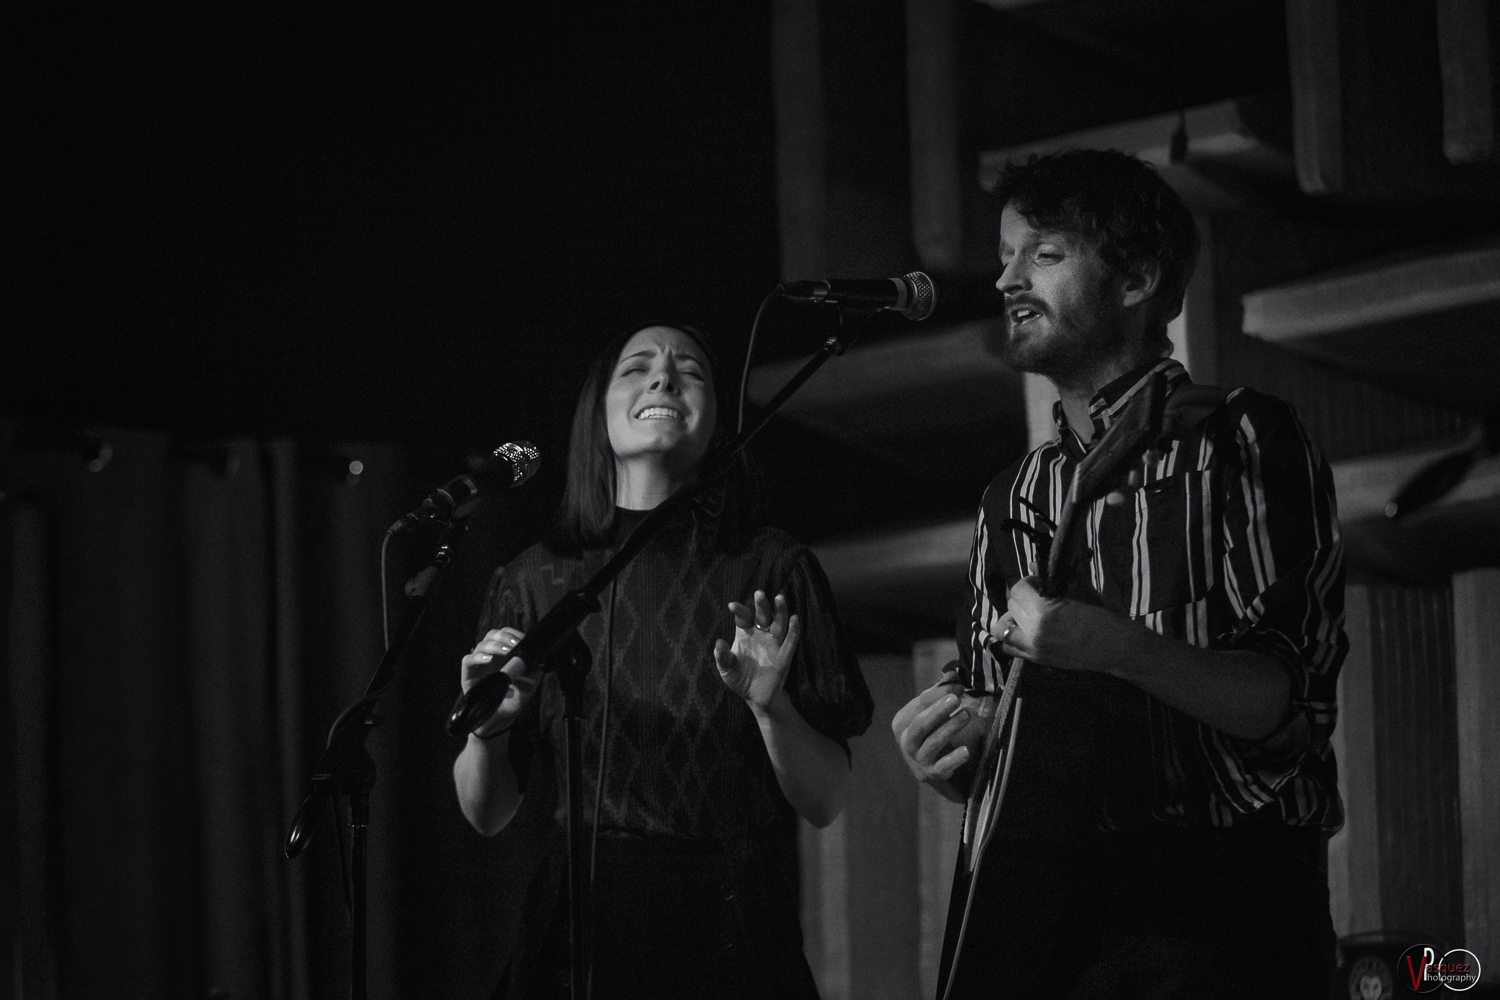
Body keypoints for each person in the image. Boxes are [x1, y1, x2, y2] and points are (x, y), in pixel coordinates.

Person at [892, 150, 1346, 999]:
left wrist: (1113, 648)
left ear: (1136, 277)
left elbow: (1286, 704)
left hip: (1227, 914)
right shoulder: (1013, 496)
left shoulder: (1241, 437)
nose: (1006, 281)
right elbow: (1003, 724)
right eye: (1004, 256)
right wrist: (952, 755)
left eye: (1045, 254)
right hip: (1057, 915)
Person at [454, 323, 873, 1000]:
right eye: (638, 367)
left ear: (717, 426)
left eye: (691, 372)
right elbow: (488, 812)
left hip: (728, 932)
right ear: (597, 414)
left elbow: (825, 801)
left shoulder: (770, 568)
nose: (664, 379)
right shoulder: (533, 582)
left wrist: (773, 708)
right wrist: (488, 729)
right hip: (575, 934)